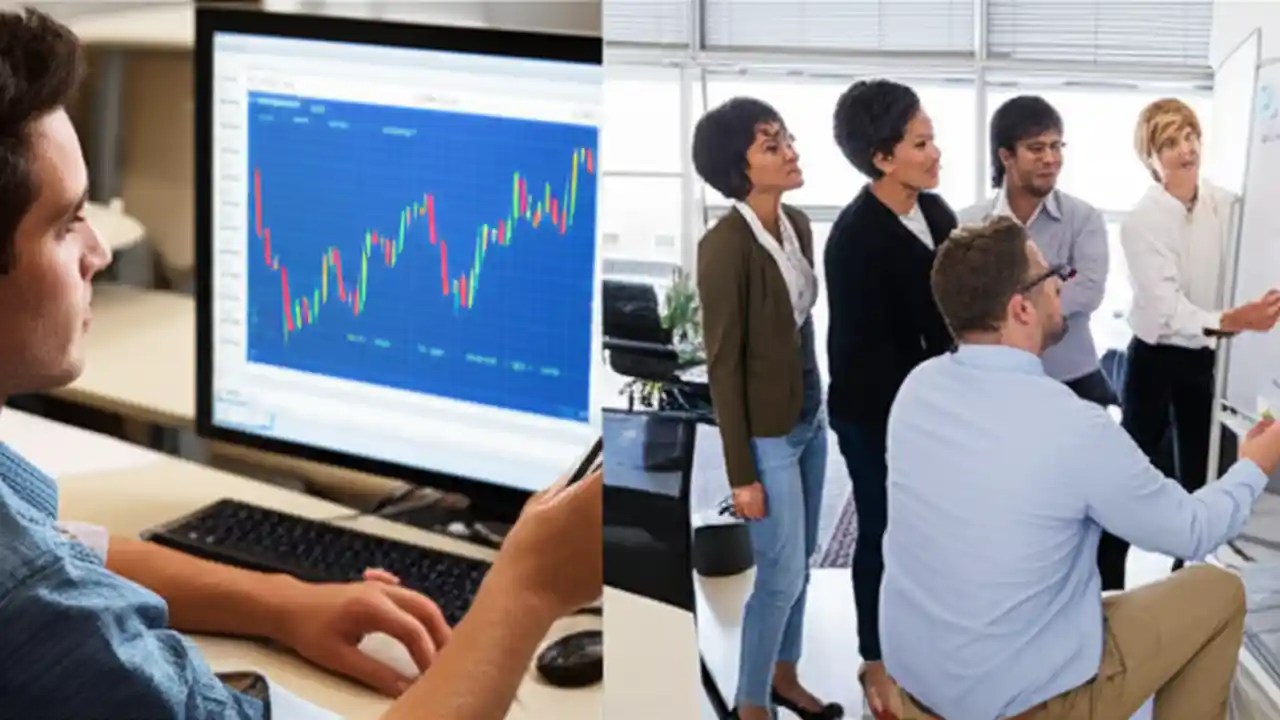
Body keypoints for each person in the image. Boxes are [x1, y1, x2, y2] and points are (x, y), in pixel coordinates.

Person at [0, 8, 602, 719]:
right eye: (67, 221)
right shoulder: (43, 608)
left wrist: (282, 602)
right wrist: (528, 585)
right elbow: (42, 581)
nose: (100, 251)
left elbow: (61, 545)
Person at [880, 215, 1280, 720]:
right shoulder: (1072, 426)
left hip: (918, 691)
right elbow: (1192, 531)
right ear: (1020, 308)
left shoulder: (918, 389)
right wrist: (1252, 466)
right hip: (1016, 705)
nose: (1060, 289)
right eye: (1051, 277)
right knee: (1219, 593)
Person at [694, 97, 840, 720]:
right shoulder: (723, 246)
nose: (790, 152)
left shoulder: (797, 225)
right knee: (778, 576)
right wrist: (741, 476)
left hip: (811, 416)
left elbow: (799, 324)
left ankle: (785, 675)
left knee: (800, 565)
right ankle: (750, 703)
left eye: (787, 139)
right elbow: (723, 367)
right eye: (770, 145)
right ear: (739, 167)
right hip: (768, 436)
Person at [1111, 98, 1280, 590]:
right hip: (1154, 356)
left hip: (1205, 357)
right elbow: (1168, 313)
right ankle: (1107, 583)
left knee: (1200, 471)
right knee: (1131, 472)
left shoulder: (1221, 204)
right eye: (1170, 143)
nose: (1186, 150)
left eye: (1190, 137)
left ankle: (1189, 580)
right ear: (1150, 156)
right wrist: (1236, 320)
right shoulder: (1141, 221)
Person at [826, 78, 955, 718]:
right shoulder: (854, 239)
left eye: (933, 139)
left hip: (925, 406)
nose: (936, 154)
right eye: (922, 143)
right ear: (882, 157)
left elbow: (951, 311)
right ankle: (874, 658)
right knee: (880, 527)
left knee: (927, 529)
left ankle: (923, 641)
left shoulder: (935, 212)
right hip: (871, 410)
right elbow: (871, 354)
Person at [959, 95, 1114, 407]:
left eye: (1056, 146)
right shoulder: (969, 224)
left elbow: (1089, 291)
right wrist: (1048, 293)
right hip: (995, 383)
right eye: (1036, 148)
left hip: (1072, 379)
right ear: (1006, 156)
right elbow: (962, 300)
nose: (1050, 158)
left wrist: (1007, 308)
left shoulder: (1083, 219)